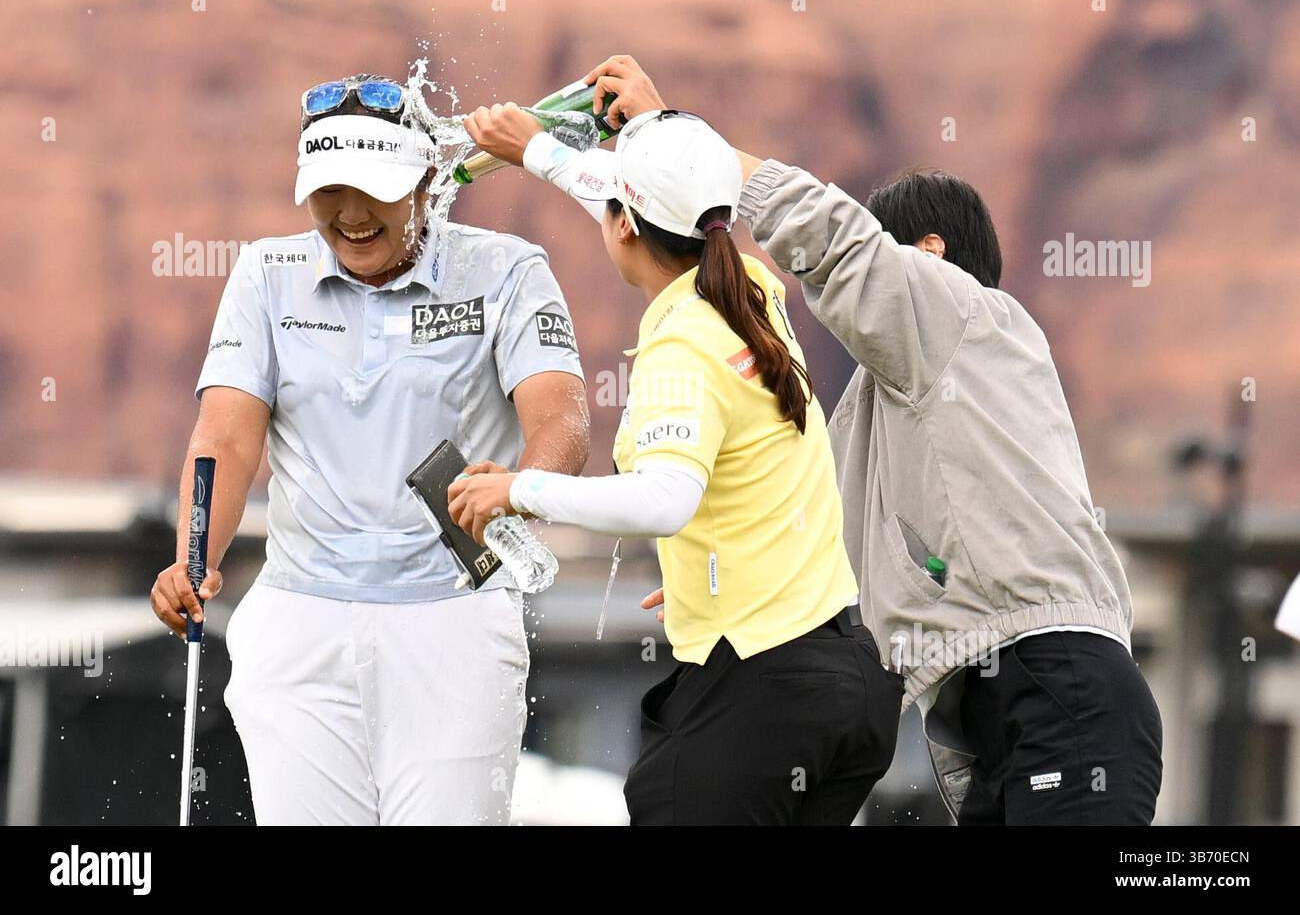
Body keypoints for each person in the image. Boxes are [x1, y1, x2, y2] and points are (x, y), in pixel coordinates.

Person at [587, 55, 1162, 825]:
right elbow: (835, 555)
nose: (838, 303)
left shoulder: (962, 313)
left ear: (925, 257)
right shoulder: (889, 405)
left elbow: (834, 239)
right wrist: (737, 573)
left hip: (1059, 688)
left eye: (882, 256)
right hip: (993, 718)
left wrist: (679, 140)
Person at [148, 74, 590, 825]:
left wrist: (522, 491)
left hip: (454, 626)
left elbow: (564, 421)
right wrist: (195, 557)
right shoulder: (265, 273)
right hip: (301, 627)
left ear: (426, 181)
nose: (350, 216)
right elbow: (226, 435)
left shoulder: (509, 269)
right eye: (329, 192)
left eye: (375, 191)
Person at [451, 103, 904, 825]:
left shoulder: (679, 347)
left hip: (761, 695)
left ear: (623, 224)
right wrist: (538, 151)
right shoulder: (749, 287)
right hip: (847, 680)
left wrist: (520, 490)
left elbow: (665, 500)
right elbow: (641, 196)